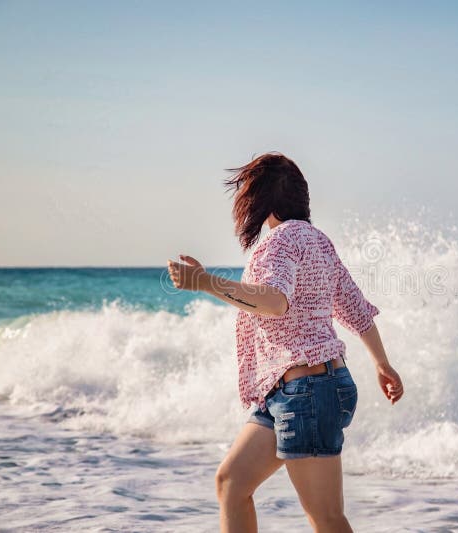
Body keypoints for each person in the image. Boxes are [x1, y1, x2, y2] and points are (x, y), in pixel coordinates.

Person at [167, 152, 403, 533]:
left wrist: (204, 282)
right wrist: (381, 363)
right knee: (231, 483)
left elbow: (275, 301)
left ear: (261, 199)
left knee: (325, 518)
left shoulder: (280, 243)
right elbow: (357, 310)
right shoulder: (318, 241)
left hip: (306, 393)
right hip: (293, 391)